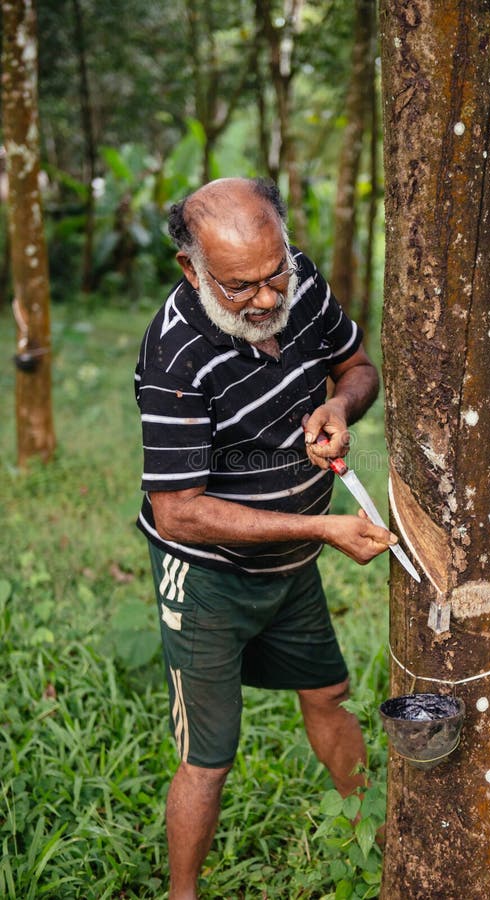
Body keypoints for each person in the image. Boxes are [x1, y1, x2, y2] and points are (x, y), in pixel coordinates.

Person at [134, 177, 396, 900]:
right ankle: (182, 895)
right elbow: (176, 513)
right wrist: (320, 526)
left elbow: (357, 366)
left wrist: (339, 407)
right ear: (192, 270)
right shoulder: (174, 358)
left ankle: (372, 837)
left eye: (274, 270)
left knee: (330, 696)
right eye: (238, 285)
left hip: (291, 563)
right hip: (209, 578)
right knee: (207, 759)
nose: (265, 298)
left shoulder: (299, 283)